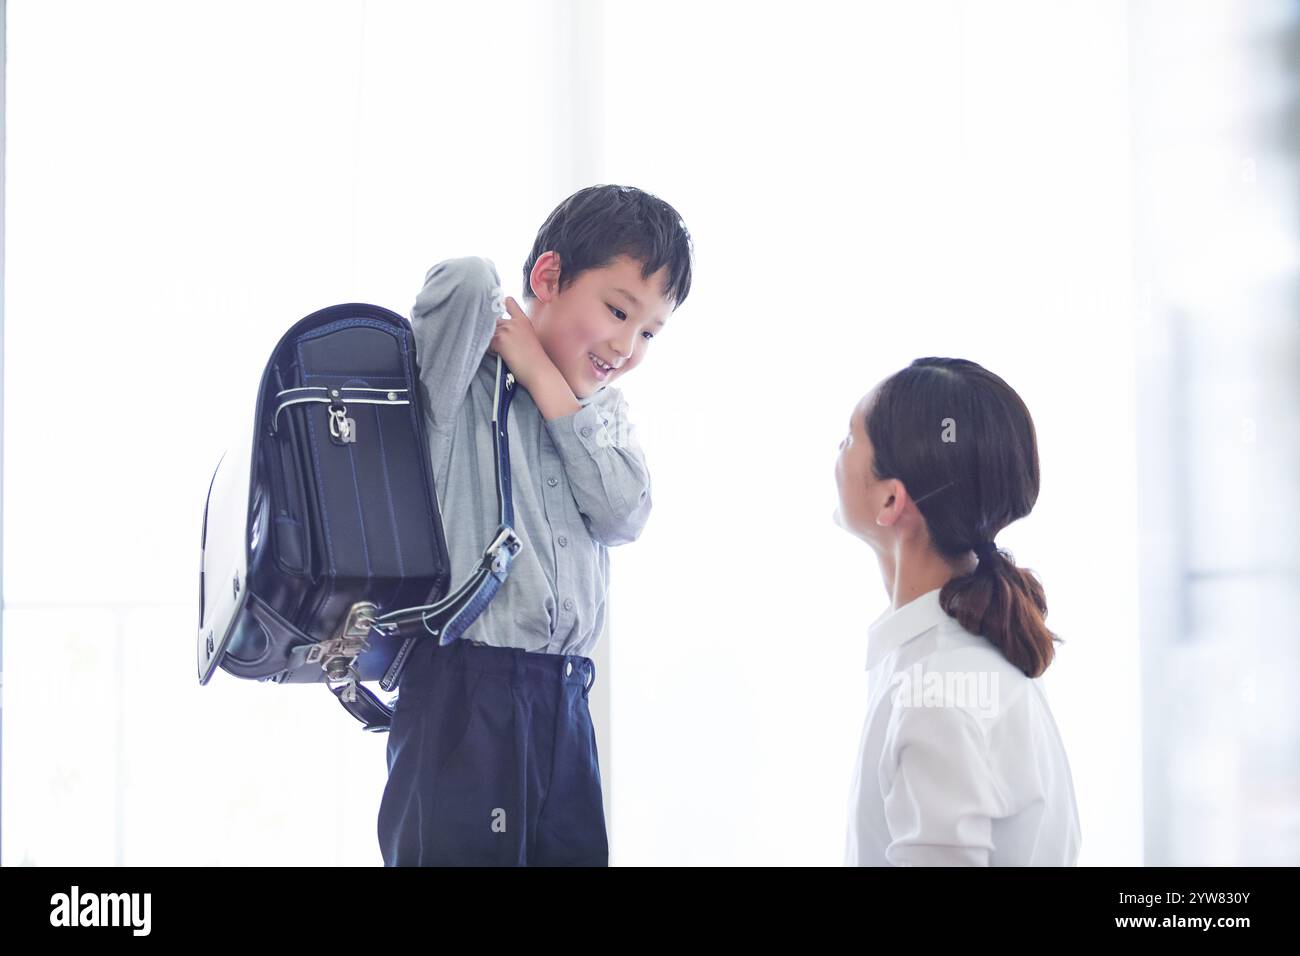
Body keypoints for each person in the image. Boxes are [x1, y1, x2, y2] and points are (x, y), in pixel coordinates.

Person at [377, 185, 694, 866]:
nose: (626, 346)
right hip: (464, 694)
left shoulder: (600, 417)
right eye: (617, 310)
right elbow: (466, 282)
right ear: (549, 277)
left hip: (565, 700)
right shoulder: (458, 380)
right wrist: (514, 347)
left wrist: (544, 376)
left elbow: (624, 513)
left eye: (648, 332)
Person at [832, 357, 1082, 866]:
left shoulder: (939, 692)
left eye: (851, 437)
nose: (839, 450)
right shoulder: (947, 660)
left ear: (891, 500)